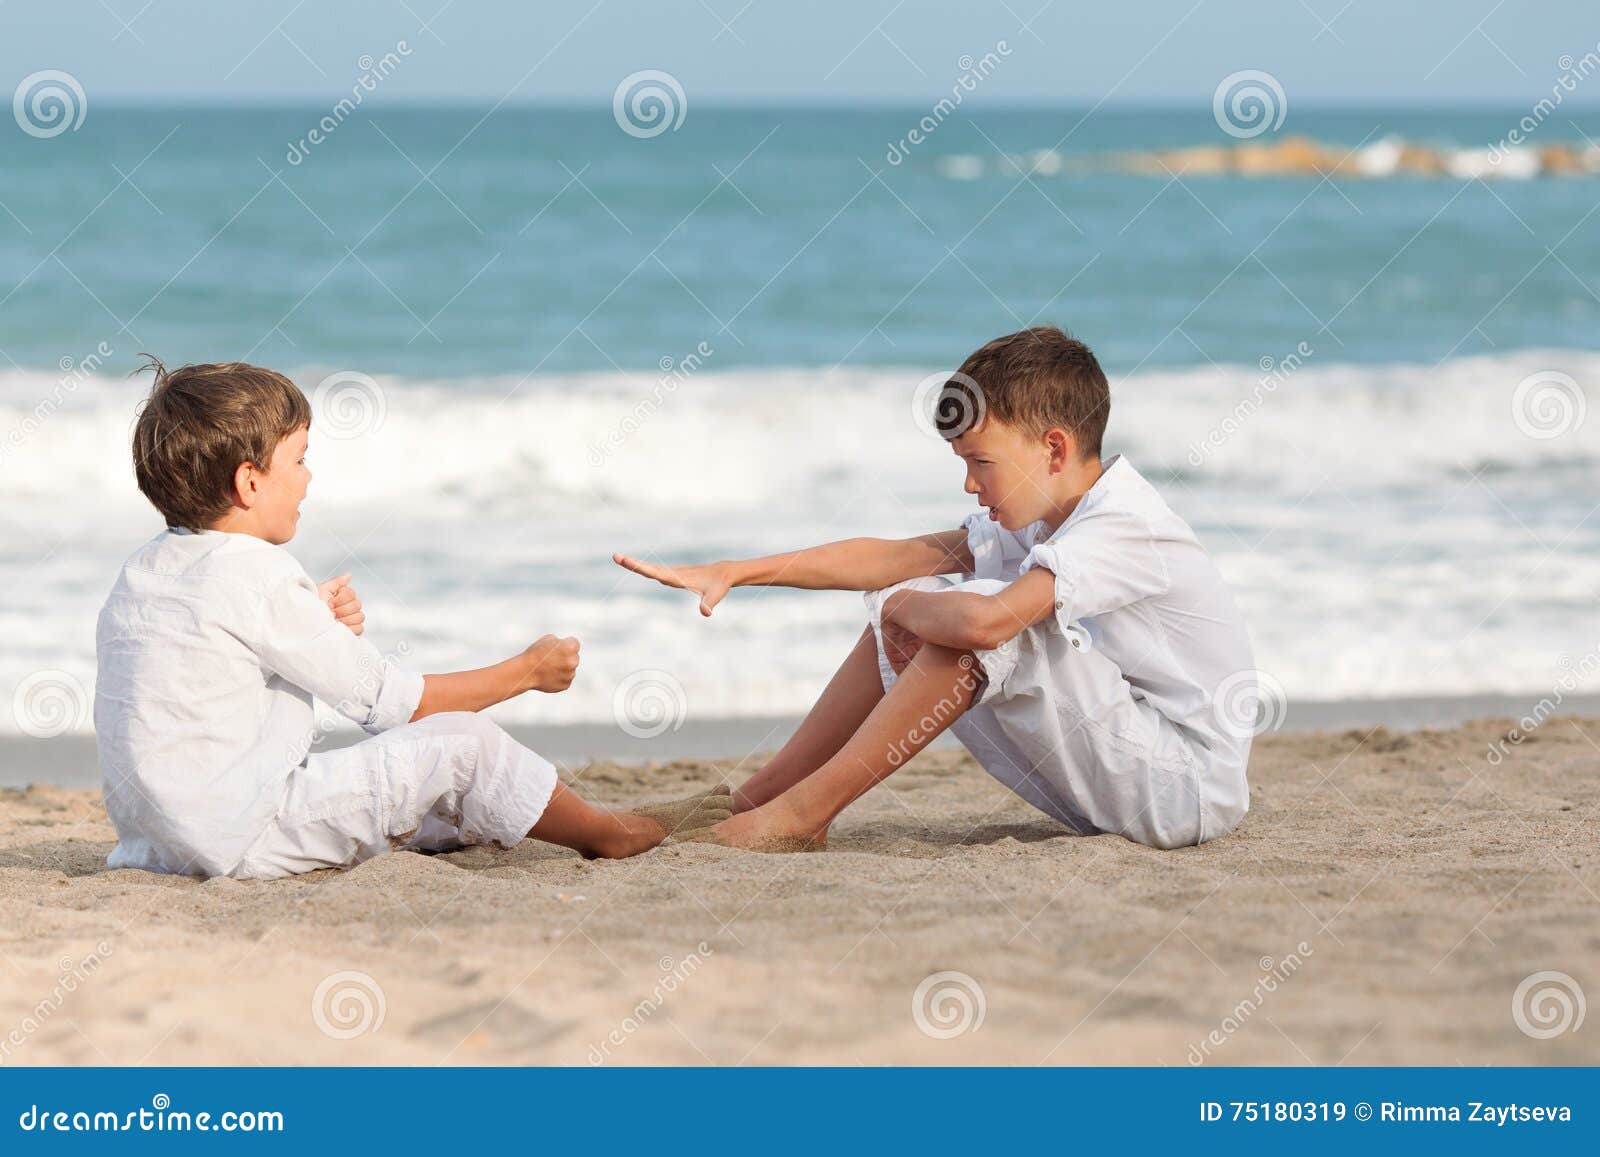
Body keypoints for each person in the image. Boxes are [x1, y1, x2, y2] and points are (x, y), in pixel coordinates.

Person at [616, 326, 1254, 852]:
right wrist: (736, 570)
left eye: (981, 462)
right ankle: (760, 798)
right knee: (935, 597)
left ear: (1054, 449)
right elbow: (895, 557)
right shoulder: (1041, 516)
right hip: (1124, 765)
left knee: (977, 618)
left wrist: (899, 606)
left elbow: (984, 626)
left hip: (1182, 788)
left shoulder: (1124, 524)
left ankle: (800, 817)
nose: (971, 486)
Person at [96, 359, 728, 879]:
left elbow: (205, 665)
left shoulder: (142, 573)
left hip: (155, 846)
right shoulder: (260, 574)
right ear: (250, 483)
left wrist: (312, 621)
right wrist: (527, 671)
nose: (309, 480)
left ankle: (485, 824)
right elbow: (398, 706)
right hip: (243, 834)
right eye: (299, 460)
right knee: (460, 744)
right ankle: (603, 834)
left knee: (405, 778)